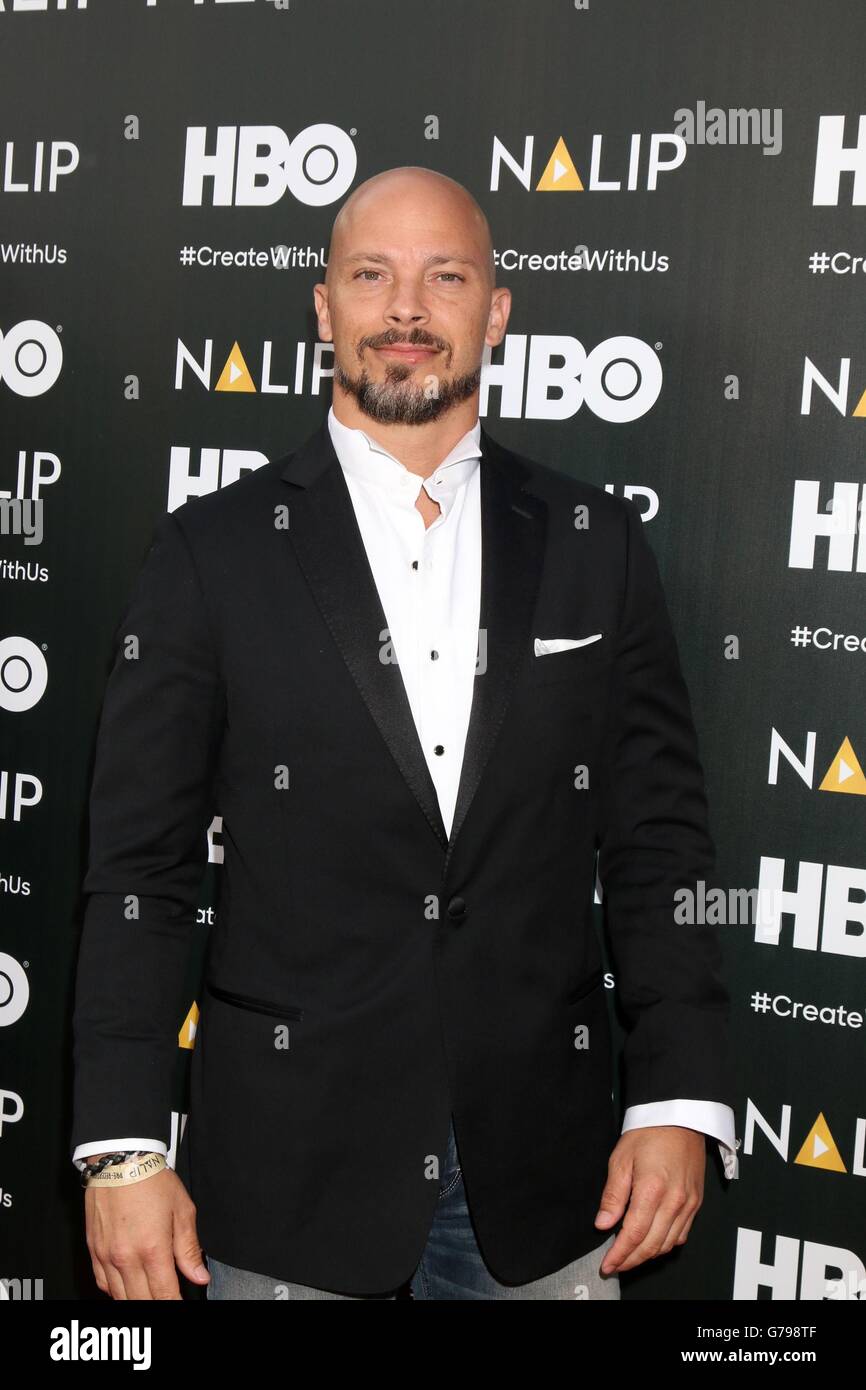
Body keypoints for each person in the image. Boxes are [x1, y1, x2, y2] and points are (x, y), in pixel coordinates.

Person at [71, 166, 738, 1301]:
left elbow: (658, 847)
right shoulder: (211, 552)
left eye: (445, 277)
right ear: (323, 309)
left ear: (496, 310)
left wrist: (675, 1095)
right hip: (285, 1180)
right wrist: (124, 1146)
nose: (406, 312)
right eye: (370, 275)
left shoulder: (596, 543)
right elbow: (142, 867)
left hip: (547, 1179)